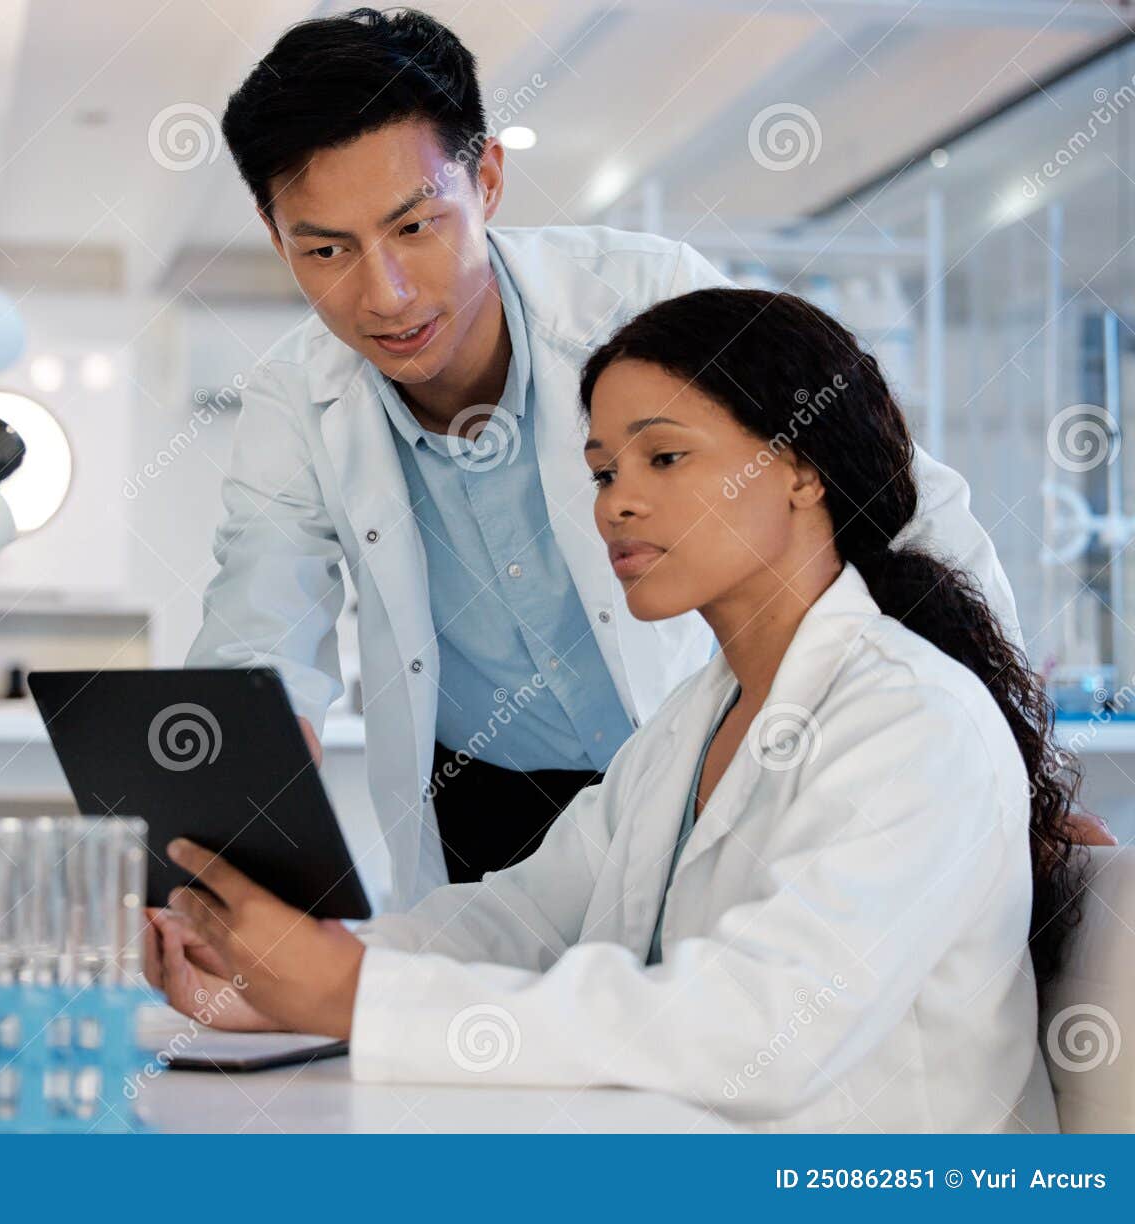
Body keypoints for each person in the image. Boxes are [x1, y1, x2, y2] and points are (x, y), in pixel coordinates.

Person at [147, 288, 1084, 1132]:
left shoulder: (912, 721)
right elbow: (526, 920)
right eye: (602, 472)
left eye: (664, 458)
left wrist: (359, 996)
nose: (616, 507)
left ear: (802, 471)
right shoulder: (695, 722)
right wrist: (299, 970)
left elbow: (763, 1030)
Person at [185, 7, 1050, 905]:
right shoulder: (294, 397)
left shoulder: (641, 298)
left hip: (689, 754)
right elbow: (261, 611)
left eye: (415, 228)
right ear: (272, 228)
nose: (385, 293)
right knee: (483, 1010)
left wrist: (1017, 772)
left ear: (485, 180)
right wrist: (233, 792)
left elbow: (896, 501)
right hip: (480, 794)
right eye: (325, 249)